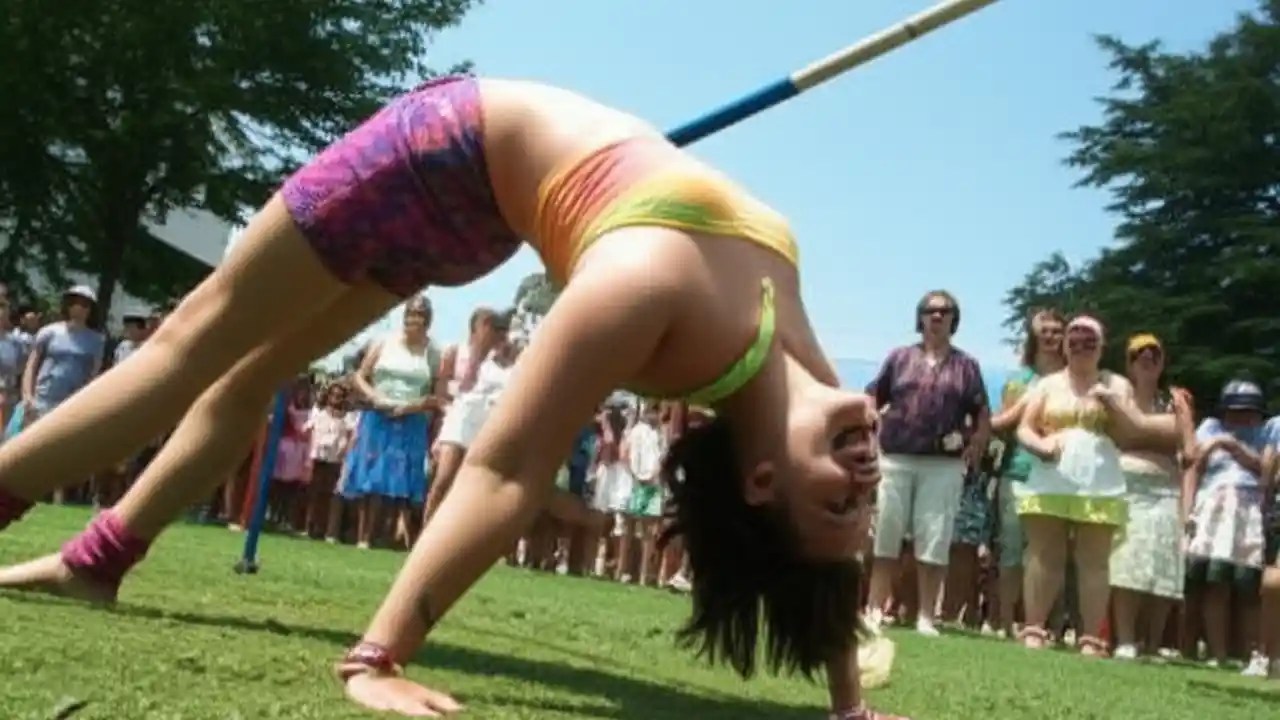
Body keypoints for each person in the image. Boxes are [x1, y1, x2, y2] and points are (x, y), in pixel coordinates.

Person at [0, 75, 888, 718]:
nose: (866, 470)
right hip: (480, 206)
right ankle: (98, 560)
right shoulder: (801, 362)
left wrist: (378, 656)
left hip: (437, 153)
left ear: (762, 481)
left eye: (838, 498)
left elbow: (505, 471)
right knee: (245, 373)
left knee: (196, 341)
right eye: (867, 496)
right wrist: (847, 706)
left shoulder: (647, 288)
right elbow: (828, 567)